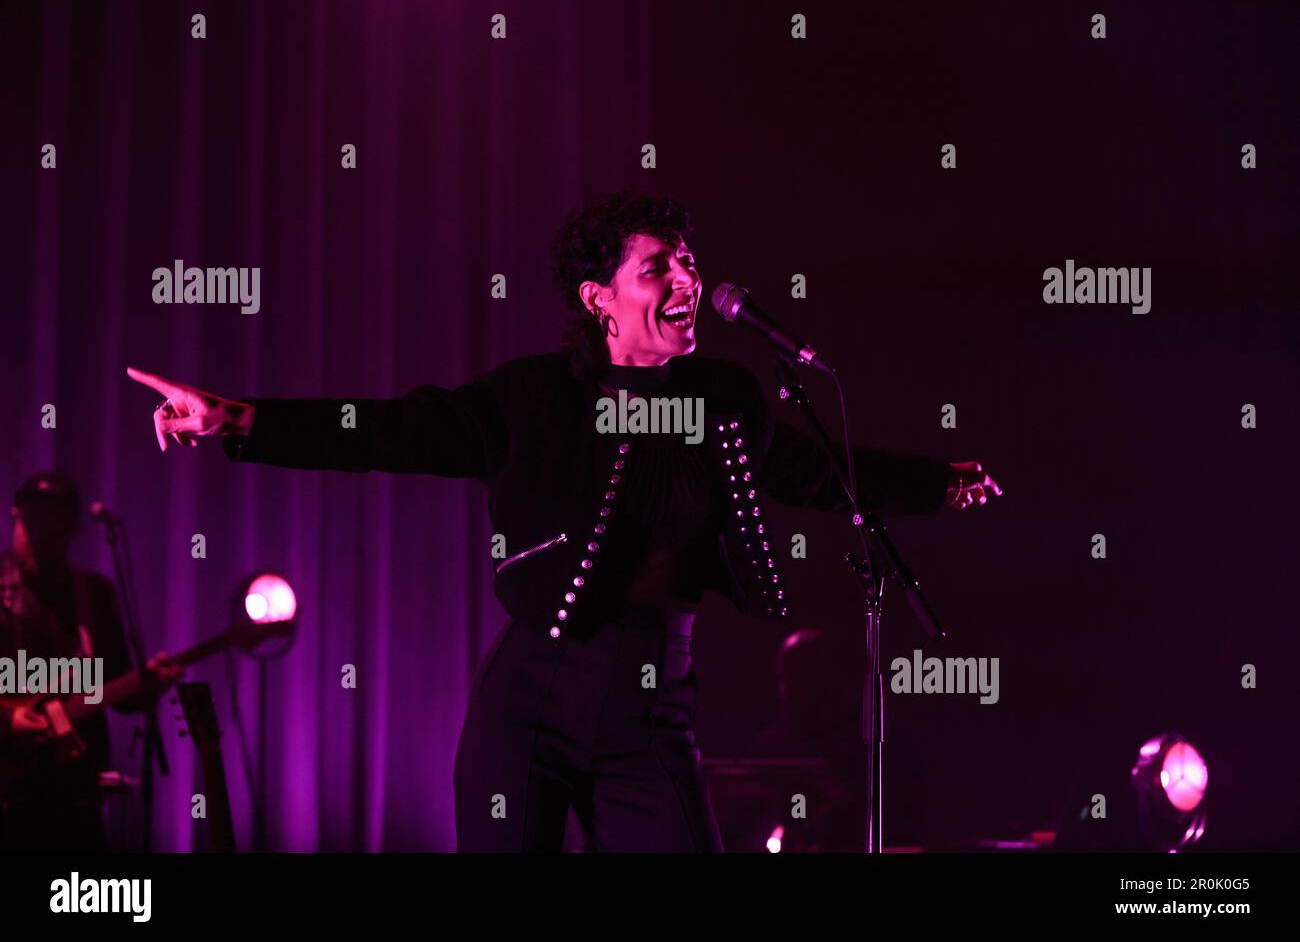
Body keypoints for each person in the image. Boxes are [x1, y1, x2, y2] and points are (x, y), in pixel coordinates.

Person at [126, 191, 1002, 852]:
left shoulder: (721, 399)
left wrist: (936, 482)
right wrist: (237, 418)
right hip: (532, 699)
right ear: (600, 298)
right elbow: (388, 427)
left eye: (688, 261)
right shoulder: (535, 399)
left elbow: (815, 471)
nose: (687, 279)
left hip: (655, 704)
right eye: (659, 267)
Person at [0, 471, 182, 852]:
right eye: (31, 522)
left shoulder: (94, 595)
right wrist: (8, 721)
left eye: (52, 524)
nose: (40, 537)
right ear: (16, 518)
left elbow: (117, 690)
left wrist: (150, 684)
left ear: (72, 529)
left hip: (77, 795)